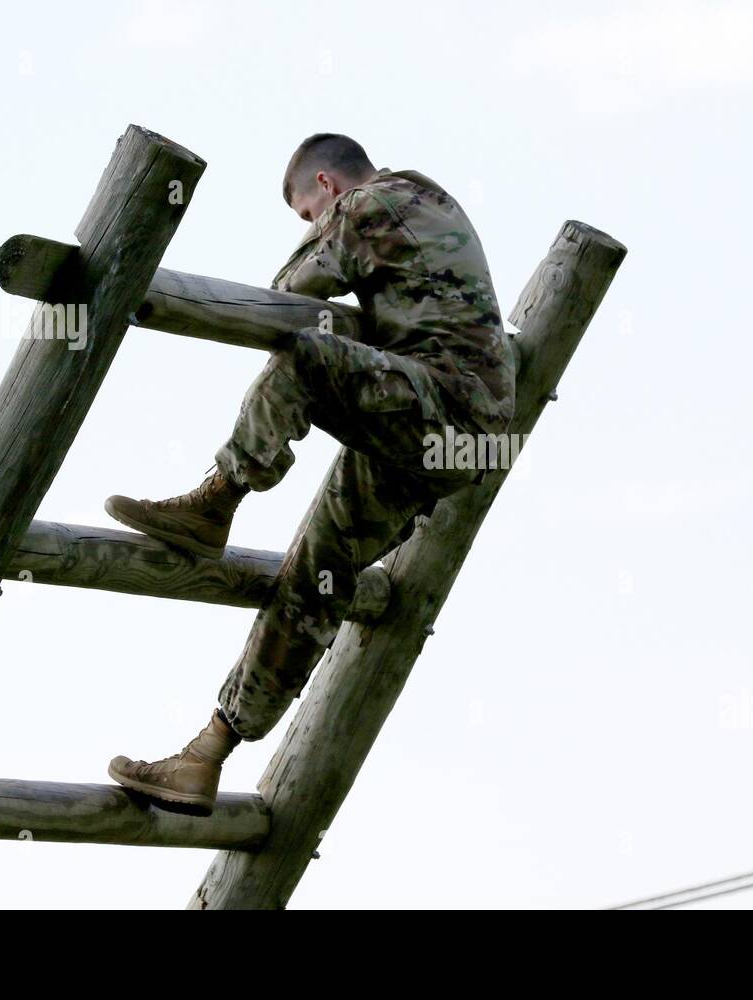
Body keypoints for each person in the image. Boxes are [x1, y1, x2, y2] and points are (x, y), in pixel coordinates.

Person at [105, 133, 516, 815]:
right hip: (444, 433)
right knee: (316, 574)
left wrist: (323, 246)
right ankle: (208, 752)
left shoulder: (370, 202)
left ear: (326, 185)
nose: (312, 222)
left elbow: (290, 291)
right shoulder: (432, 199)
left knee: (305, 356)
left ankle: (217, 498)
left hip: (438, 408)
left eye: (305, 212)